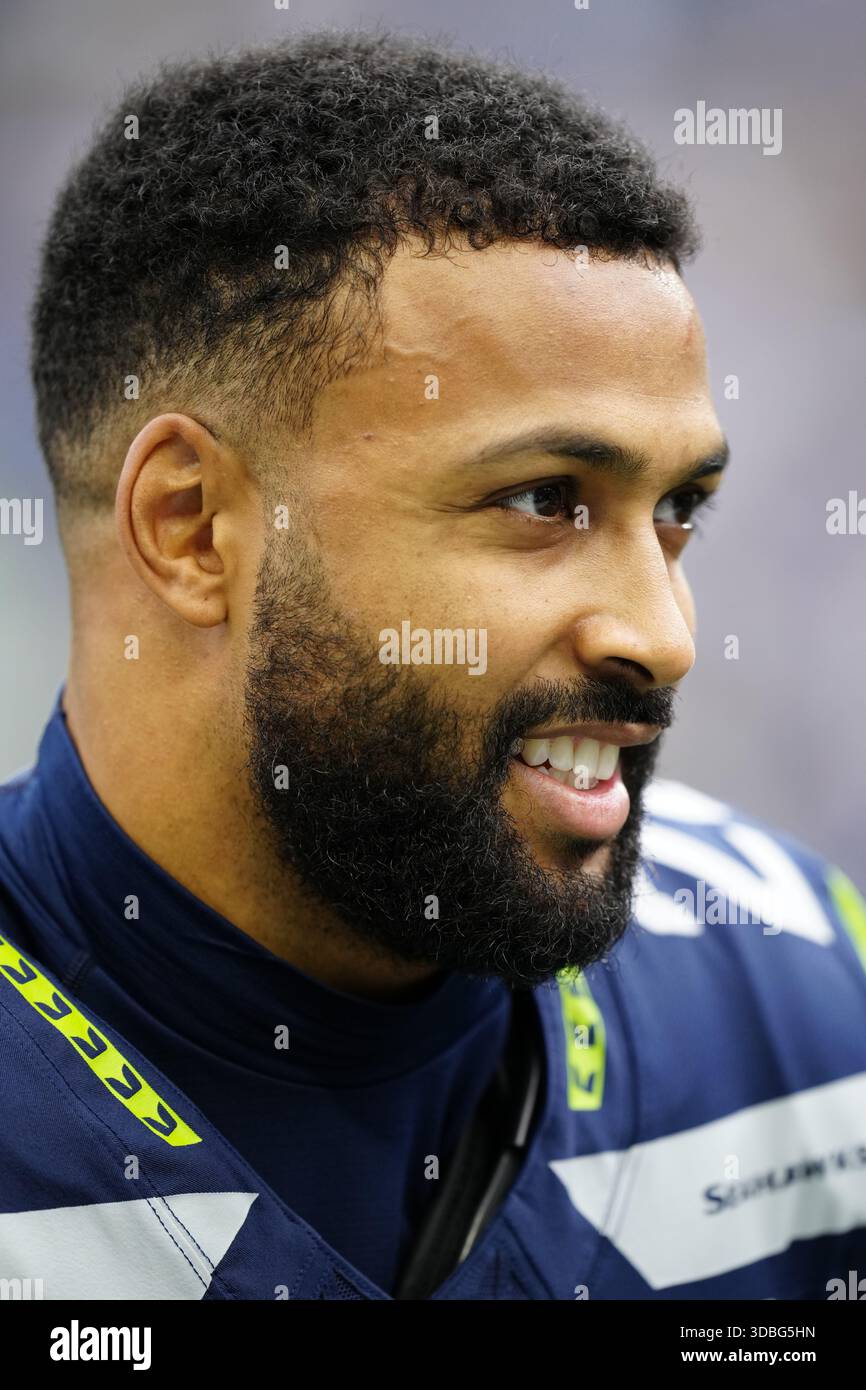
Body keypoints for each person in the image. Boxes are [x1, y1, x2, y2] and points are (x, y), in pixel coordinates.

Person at [1, 31, 864, 1301]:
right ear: (192, 527)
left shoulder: (787, 999)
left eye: (677, 507)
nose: (664, 633)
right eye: (539, 498)